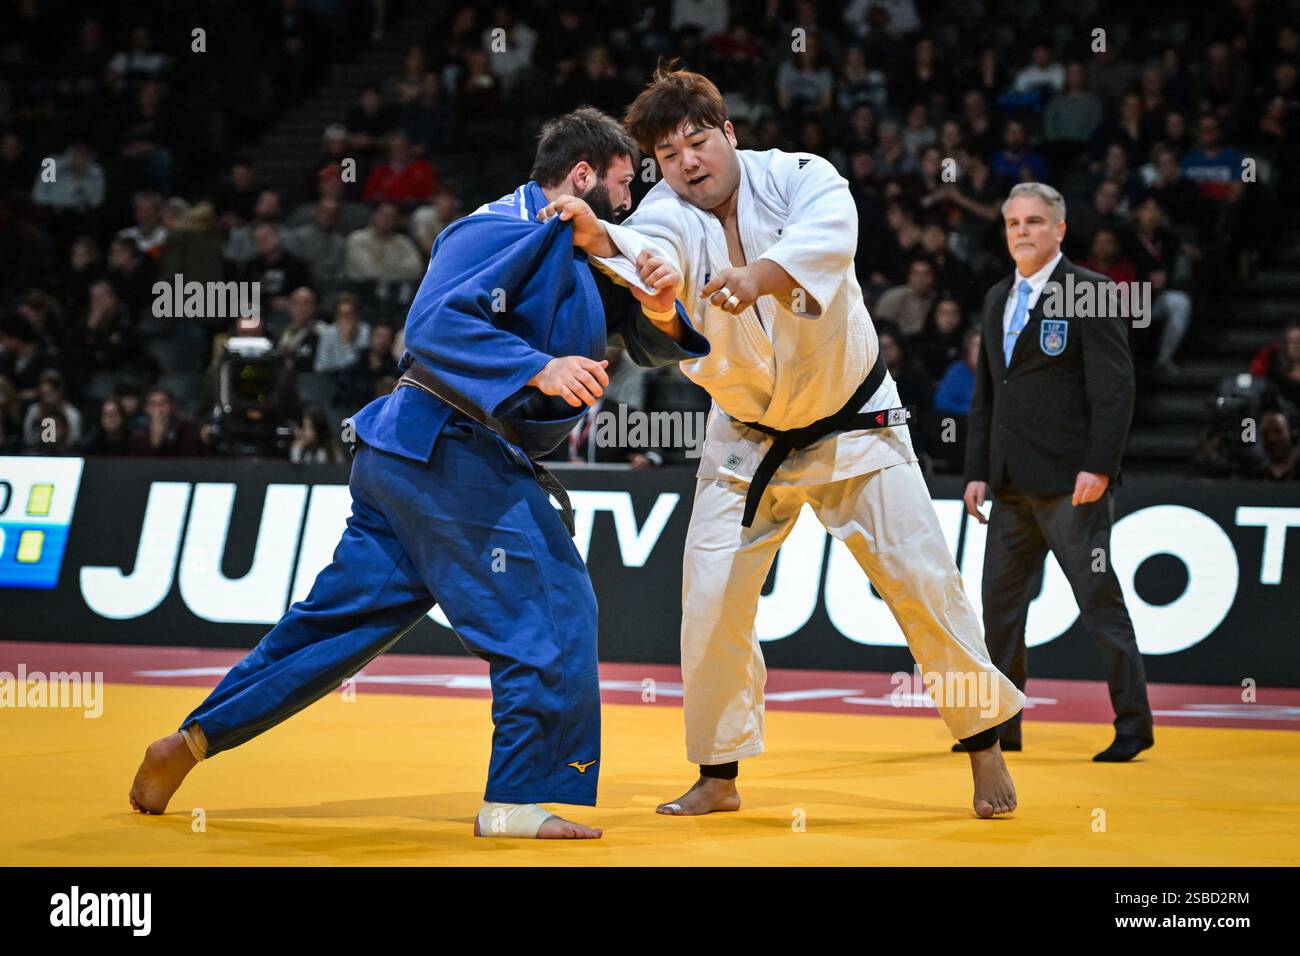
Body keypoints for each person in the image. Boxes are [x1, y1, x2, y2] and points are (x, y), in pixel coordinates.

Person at [128, 108, 708, 840]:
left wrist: (659, 306)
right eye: (622, 187)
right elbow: (432, 325)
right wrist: (538, 365)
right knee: (551, 605)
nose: (627, 206)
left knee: (335, 626)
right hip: (451, 450)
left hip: (413, 461)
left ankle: (192, 741)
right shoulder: (499, 227)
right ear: (583, 175)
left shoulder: (582, 250)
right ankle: (517, 799)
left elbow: (655, 340)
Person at [548, 66, 1024, 819]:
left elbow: (829, 239)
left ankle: (986, 747)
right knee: (710, 597)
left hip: (853, 423)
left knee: (926, 584)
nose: (688, 163)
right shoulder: (668, 211)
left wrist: (762, 274)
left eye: (698, 142)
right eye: (669, 155)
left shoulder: (804, 177)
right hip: (746, 439)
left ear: (729, 132)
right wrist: (612, 242)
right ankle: (719, 774)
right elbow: (650, 247)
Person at [963, 181, 1153, 762]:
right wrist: (977, 471)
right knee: (998, 611)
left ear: (1060, 230)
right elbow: (989, 394)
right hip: (1012, 485)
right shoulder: (998, 296)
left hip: (1073, 483)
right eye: (1014, 222)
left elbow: (1116, 389)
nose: (1023, 231)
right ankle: (1003, 726)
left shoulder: (1090, 291)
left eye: (1035, 222)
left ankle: (1133, 726)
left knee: (1099, 604)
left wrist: (1100, 464)